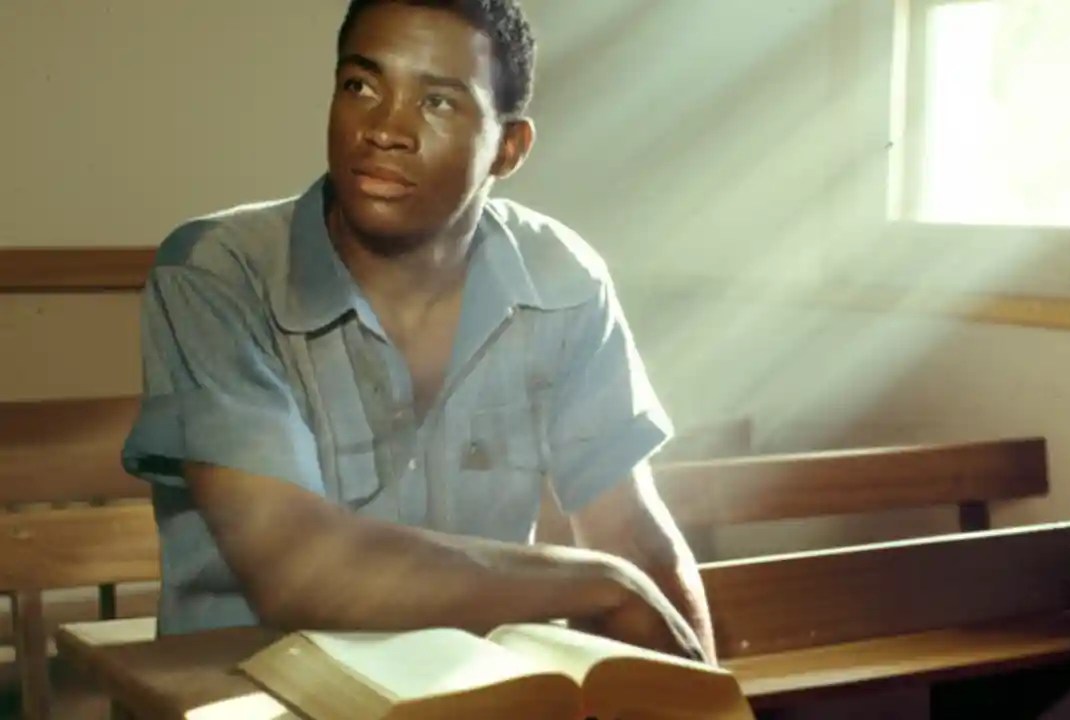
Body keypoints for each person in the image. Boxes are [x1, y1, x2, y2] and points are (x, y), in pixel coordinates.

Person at [122, 0, 714, 664]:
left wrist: (705, 694)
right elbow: (299, 570)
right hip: (247, 693)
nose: (383, 129)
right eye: (361, 86)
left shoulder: (563, 279)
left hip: (467, 696)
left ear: (509, 149)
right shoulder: (217, 271)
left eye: (436, 103)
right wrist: (603, 584)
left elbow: (628, 533)